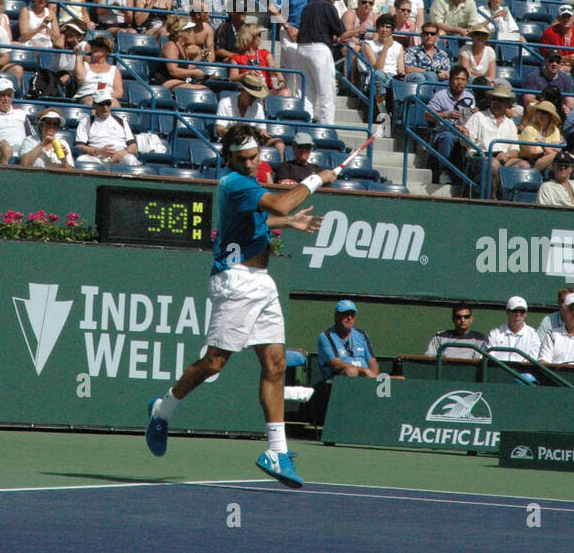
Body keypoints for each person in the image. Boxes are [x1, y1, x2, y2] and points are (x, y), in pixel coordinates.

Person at [145, 121, 335, 488]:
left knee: (275, 366)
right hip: (234, 283)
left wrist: (288, 223)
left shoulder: (245, 183)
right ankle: (162, 409)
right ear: (229, 157)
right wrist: (317, 179)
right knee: (214, 363)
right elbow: (279, 199)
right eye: (244, 159)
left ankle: (277, 452)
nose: (251, 164)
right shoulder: (235, 182)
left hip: (262, 282)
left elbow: (264, 215)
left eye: (255, 157)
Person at [295, 0, 342, 124]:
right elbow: (340, 32)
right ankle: (327, 130)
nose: (335, 2)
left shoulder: (308, 7)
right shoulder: (329, 7)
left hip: (301, 49)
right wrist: (358, 30)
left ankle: (304, 124)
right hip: (319, 50)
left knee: (306, 93)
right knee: (326, 94)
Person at [464, 83, 521, 197]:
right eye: (495, 99)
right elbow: (466, 143)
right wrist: (464, 136)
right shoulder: (478, 117)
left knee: (523, 166)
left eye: (501, 100)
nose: (497, 103)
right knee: (493, 164)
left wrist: (507, 156)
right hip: (479, 158)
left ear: (507, 104)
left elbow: (515, 150)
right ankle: (492, 200)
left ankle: (512, 202)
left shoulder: (510, 124)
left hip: (503, 159)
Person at [75, 91, 139, 170]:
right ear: (94, 105)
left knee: (130, 159)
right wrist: (98, 152)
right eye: (101, 104)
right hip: (97, 158)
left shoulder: (121, 121)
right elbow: (79, 146)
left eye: (108, 103)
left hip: (121, 156)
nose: (105, 107)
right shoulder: (86, 121)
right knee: (82, 159)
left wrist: (122, 153)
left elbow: (133, 146)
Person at [317, 300, 378, 381]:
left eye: (352, 314)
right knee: (351, 371)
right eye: (346, 314)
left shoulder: (362, 334)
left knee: (398, 379)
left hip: (366, 378)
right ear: (336, 316)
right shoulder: (326, 336)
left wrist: (373, 377)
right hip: (337, 380)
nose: (349, 318)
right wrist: (363, 370)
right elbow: (336, 364)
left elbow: (372, 362)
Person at [72, 31, 124, 104]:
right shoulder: (85, 65)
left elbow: (119, 92)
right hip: (87, 96)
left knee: (113, 103)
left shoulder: (114, 70)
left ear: (108, 51)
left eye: (99, 46)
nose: (94, 47)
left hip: (107, 97)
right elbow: (79, 78)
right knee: (90, 101)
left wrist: (102, 96)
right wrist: (78, 55)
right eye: (93, 45)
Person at [484, 297, 541, 363]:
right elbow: (489, 359)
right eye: (515, 311)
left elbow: (532, 362)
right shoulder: (494, 333)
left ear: (525, 314)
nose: (518, 314)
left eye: (522, 311)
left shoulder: (533, 335)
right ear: (508, 312)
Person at [519, 99, 564, 173]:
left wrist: (546, 148)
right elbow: (532, 153)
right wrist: (547, 148)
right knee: (555, 157)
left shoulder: (555, 130)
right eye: (539, 111)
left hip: (550, 160)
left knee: (558, 159)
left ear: (550, 116)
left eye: (545, 113)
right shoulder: (529, 129)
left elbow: (557, 150)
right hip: (530, 161)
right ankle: (533, 174)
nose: (541, 114)